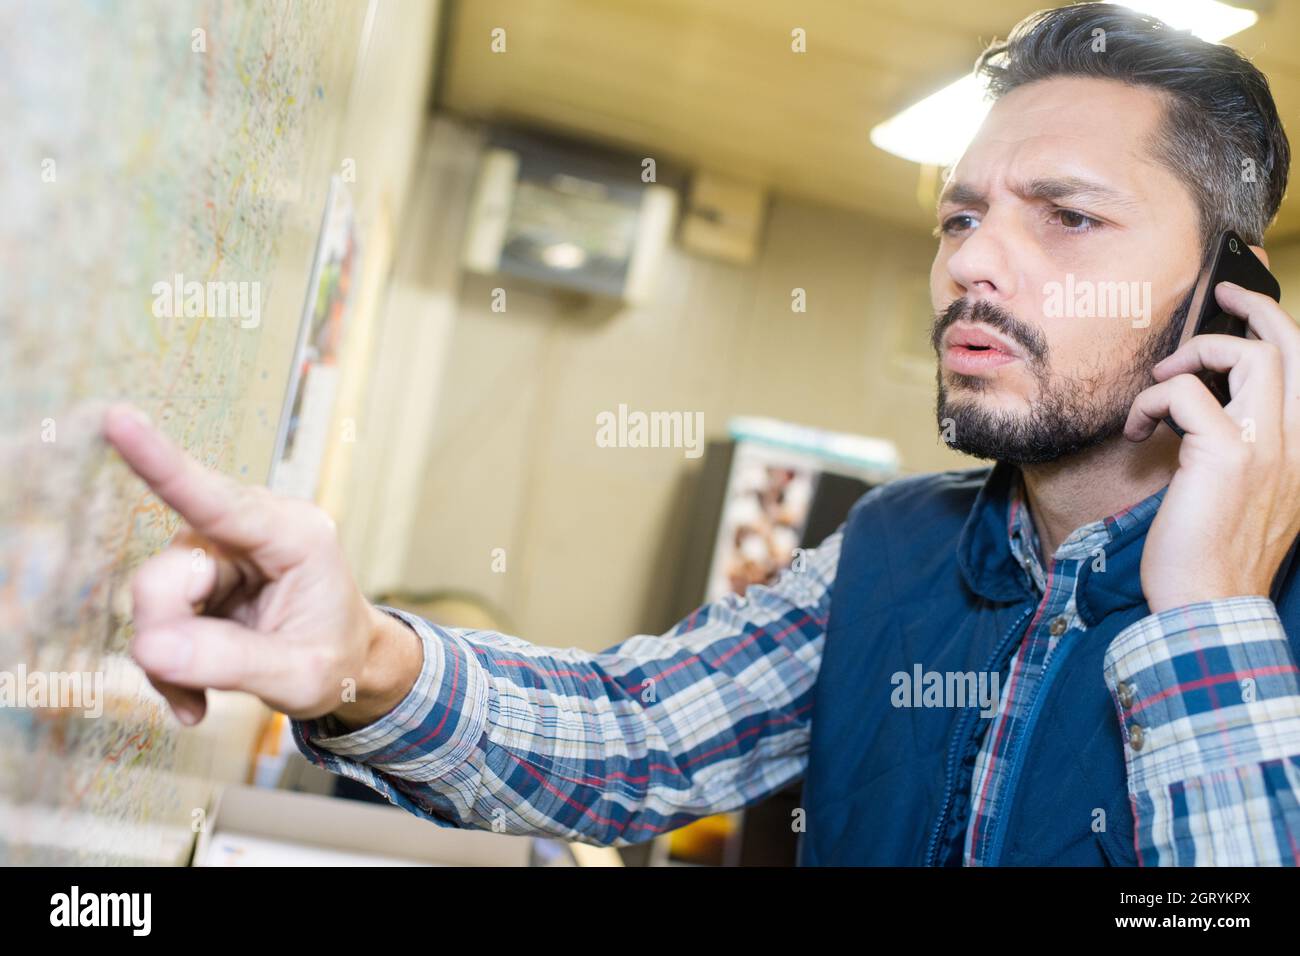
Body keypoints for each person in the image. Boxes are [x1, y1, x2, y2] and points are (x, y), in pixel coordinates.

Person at [104, 4, 1300, 865]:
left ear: (1227, 298)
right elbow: (635, 738)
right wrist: (362, 653)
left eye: (1071, 218)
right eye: (961, 216)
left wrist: (1209, 618)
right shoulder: (896, 546)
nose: (971, 260)